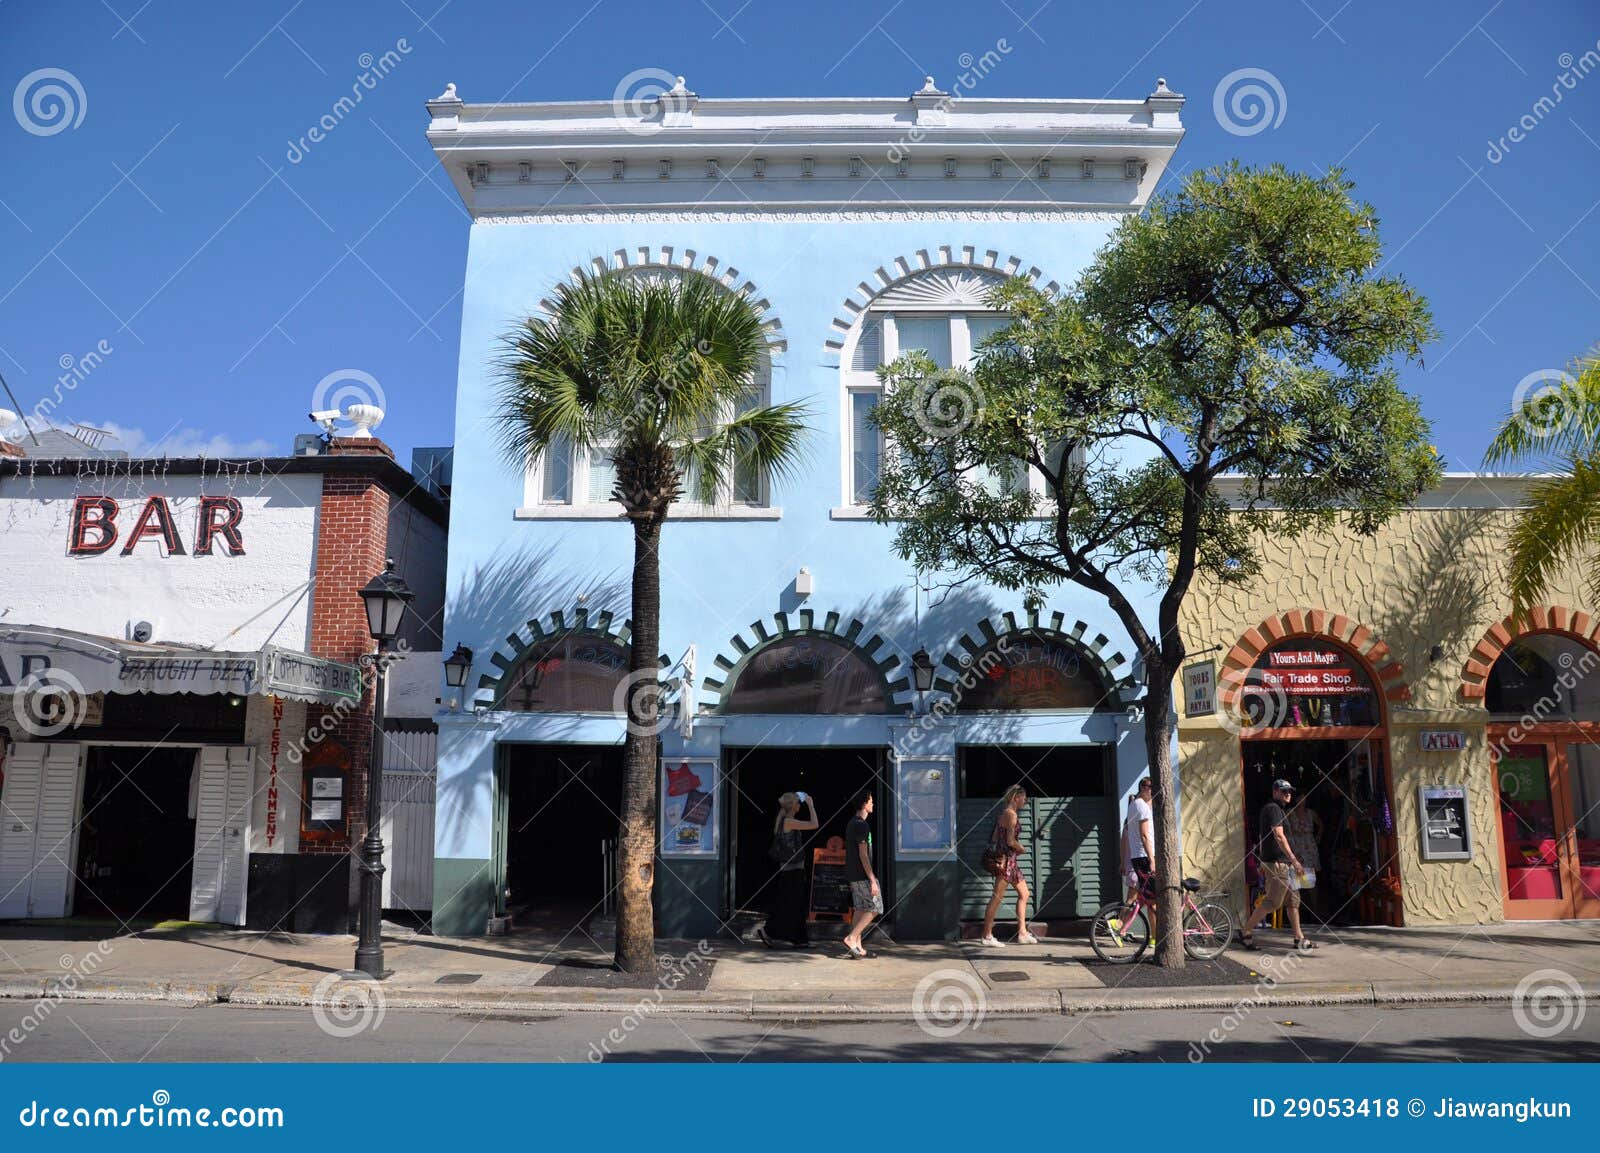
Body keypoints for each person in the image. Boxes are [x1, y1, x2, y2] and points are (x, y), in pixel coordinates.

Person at [1239, 778, 1317, 952]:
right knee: (1273, 902)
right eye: (1283, 791)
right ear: (1275, 792)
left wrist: (1293, 861)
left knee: (1293, 901)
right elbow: (1279, 836)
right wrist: (1294, 860)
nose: (1288, 794)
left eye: (1289, 791)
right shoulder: (1273, 808)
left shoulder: (1280, 810)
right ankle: (1245, 932)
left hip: (1285, 863)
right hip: (1278, 864)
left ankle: (1299, 938)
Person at [979, 784, 1038, 947]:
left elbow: (995, 838)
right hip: (1006, 863)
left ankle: (1022, 933)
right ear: (1016, 797)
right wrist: (1021, 848)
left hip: (1010, 862)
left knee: (1024, 894)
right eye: (1024, 798)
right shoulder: (1011, 815)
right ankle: (987, 936)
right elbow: (1011, 841)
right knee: (996, 898)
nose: (1025, 801)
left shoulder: (1003, 814)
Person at [760, 791, 817, 948]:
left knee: (794, 905)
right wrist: (811, 805)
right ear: (793, 806)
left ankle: (800, 940)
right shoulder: (789, 822)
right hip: (792, 870)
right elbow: (814, 824)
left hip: (792, 870)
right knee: (789, 905)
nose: (800, 805)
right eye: (798, 803)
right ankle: (768, 931)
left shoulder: (786, 821)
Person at [841, 791, 881, 958]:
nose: (873, 803)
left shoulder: (852, 823)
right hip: (862, 874)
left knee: (860, 908)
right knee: (875, 907)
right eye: (871, 801)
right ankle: (851, 938)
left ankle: (857, 945)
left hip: (853, 874)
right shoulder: (861, 825)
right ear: (864, 804)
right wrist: (872, 880)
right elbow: (863, 855)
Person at [1122, 776, 1156, 904]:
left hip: (1137, 857)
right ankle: (1124, 918)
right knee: (1151, 899)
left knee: (1147, 898)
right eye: (1150, 787)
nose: (1152, 790)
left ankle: (1125, 917)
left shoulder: (1133, 805)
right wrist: (1151, 859)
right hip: (1144, 856)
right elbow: (1144, 835)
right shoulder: (1142, 807)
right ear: (1142, 787)